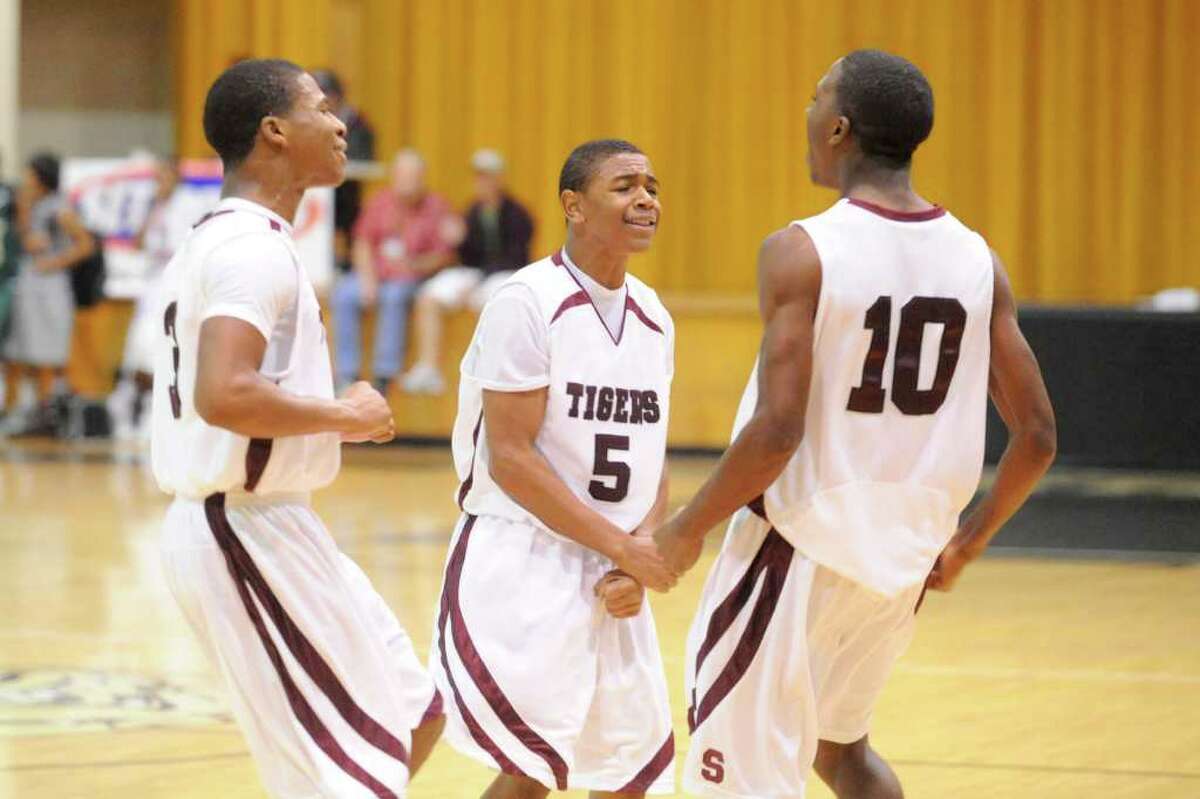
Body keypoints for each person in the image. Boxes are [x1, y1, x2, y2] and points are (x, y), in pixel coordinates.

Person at [654, 50, 1057, 798]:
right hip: (900, 558)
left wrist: (686, 527)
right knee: (844, 757)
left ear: (838, 128)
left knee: (732, 781)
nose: (806, 115)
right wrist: (968, 541)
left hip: (794, 550)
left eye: (814, 100)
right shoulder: (977, 258)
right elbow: (1036, 434)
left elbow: (778, 431)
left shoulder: (802, 250)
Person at [152, 59, 443, 798]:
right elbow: (224, 391)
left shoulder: (251, 240)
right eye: (321, 108)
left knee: (419, 712)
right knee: (347, 775)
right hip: (239, 528)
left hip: (285, 525)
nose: (341, 122)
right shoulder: (249, 249)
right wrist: (342, 415)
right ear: (274, 132)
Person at [429, 139, 678, 798]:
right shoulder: (526, 301)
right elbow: (510, 457)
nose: (646, 199)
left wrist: (638, 552)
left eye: (651, 186)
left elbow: (653, 456)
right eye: (625, 186)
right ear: (574, 205)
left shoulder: (654, 314)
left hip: (611, 560)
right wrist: (622, 544)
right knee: (530, 772)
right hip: (526, 556)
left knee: (627, 774)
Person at [401, 148, 535, 394]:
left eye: (487, 177)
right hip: (475, 272)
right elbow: (468, 257)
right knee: (429, 296)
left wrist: (476, 281)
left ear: (499, 178)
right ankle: (428, 367)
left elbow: (516, 258)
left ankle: (488, 370)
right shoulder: (472, 211)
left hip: (505, 274)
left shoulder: (518, 214)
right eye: (478, 177)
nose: (481, 183)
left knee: (492, 300)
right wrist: (457, 241)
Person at [332, 149, 458, 394]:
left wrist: (413, 265)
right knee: (344, 293)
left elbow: (444, 256)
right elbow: (362, 243)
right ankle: (347, 373)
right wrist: (367, 279)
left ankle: (384, 374)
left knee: (394, 296)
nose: (406, 182)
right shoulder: (379, 202)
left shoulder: (437, 207)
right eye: (402, 176)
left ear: (422, 177)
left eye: (412, 177)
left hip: (410, 277)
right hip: (375, 273)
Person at [1, 153, 96, 437]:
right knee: (20, 353)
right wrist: (24, 207)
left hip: (50, 289)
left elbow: (86, 245)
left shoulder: (60, 208)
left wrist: (54, 262)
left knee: (46, 356)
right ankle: (22, 412)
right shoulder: (33, 204)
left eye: (30, 174)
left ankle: (48, 415)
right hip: (29, 287)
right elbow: (26, 239)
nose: (26, 179)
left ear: (42, 177)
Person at [107, 157, 190, 440]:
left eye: (163, 176)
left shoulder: (186, 207)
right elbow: (139, 244)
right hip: (151, 285)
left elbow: (181, 247)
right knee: (139, 351)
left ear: (175, 177)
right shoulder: (154, 207)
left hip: (175, 285)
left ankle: (157, 417)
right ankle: (136, 411)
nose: (159, 183)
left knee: (161, 351)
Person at [311, 69, 375, 275]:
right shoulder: (307, 122)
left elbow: (362, 157)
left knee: (348, 215)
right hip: (315, 187)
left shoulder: (356, 122)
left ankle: (344, 261)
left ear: (336, 95)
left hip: (346, 188)